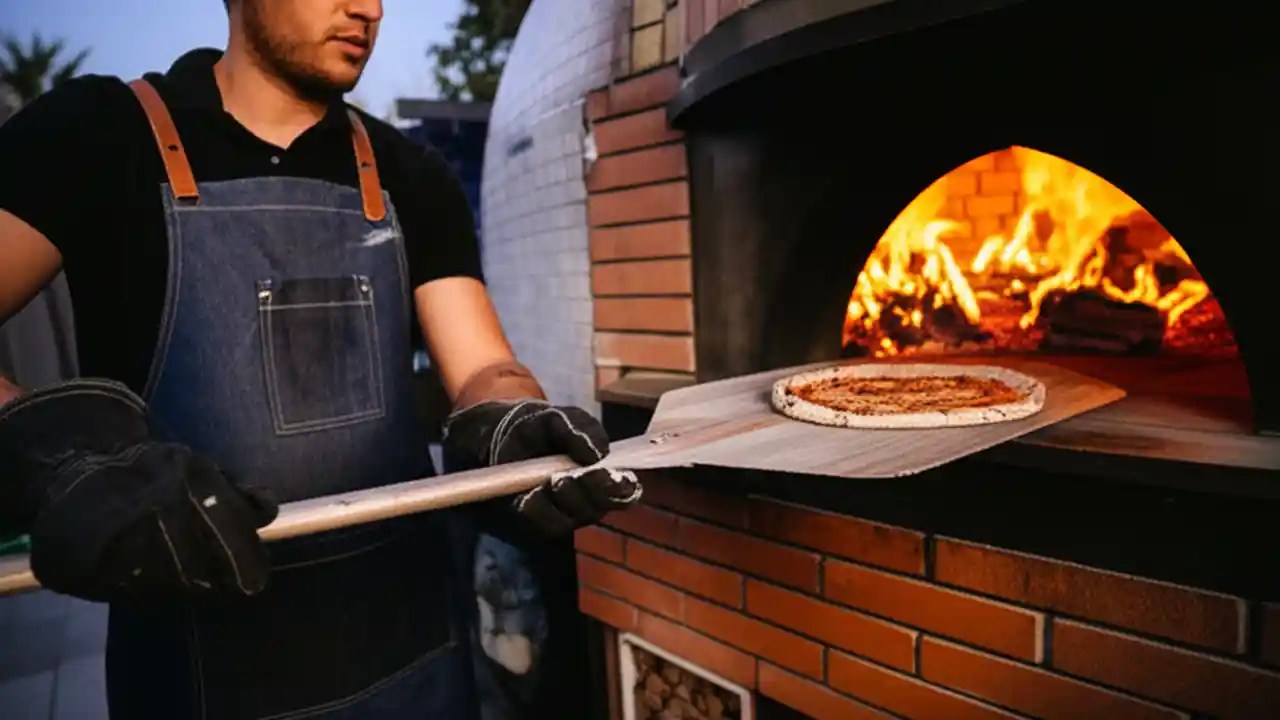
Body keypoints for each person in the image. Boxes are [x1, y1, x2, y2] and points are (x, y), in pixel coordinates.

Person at [0, 0, 642, 718]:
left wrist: (510, 418)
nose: (365, 8)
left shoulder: (412, 175)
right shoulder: (96, 137)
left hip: (416, 657)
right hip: (207, 675)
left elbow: (482, 369)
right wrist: (59, 460)